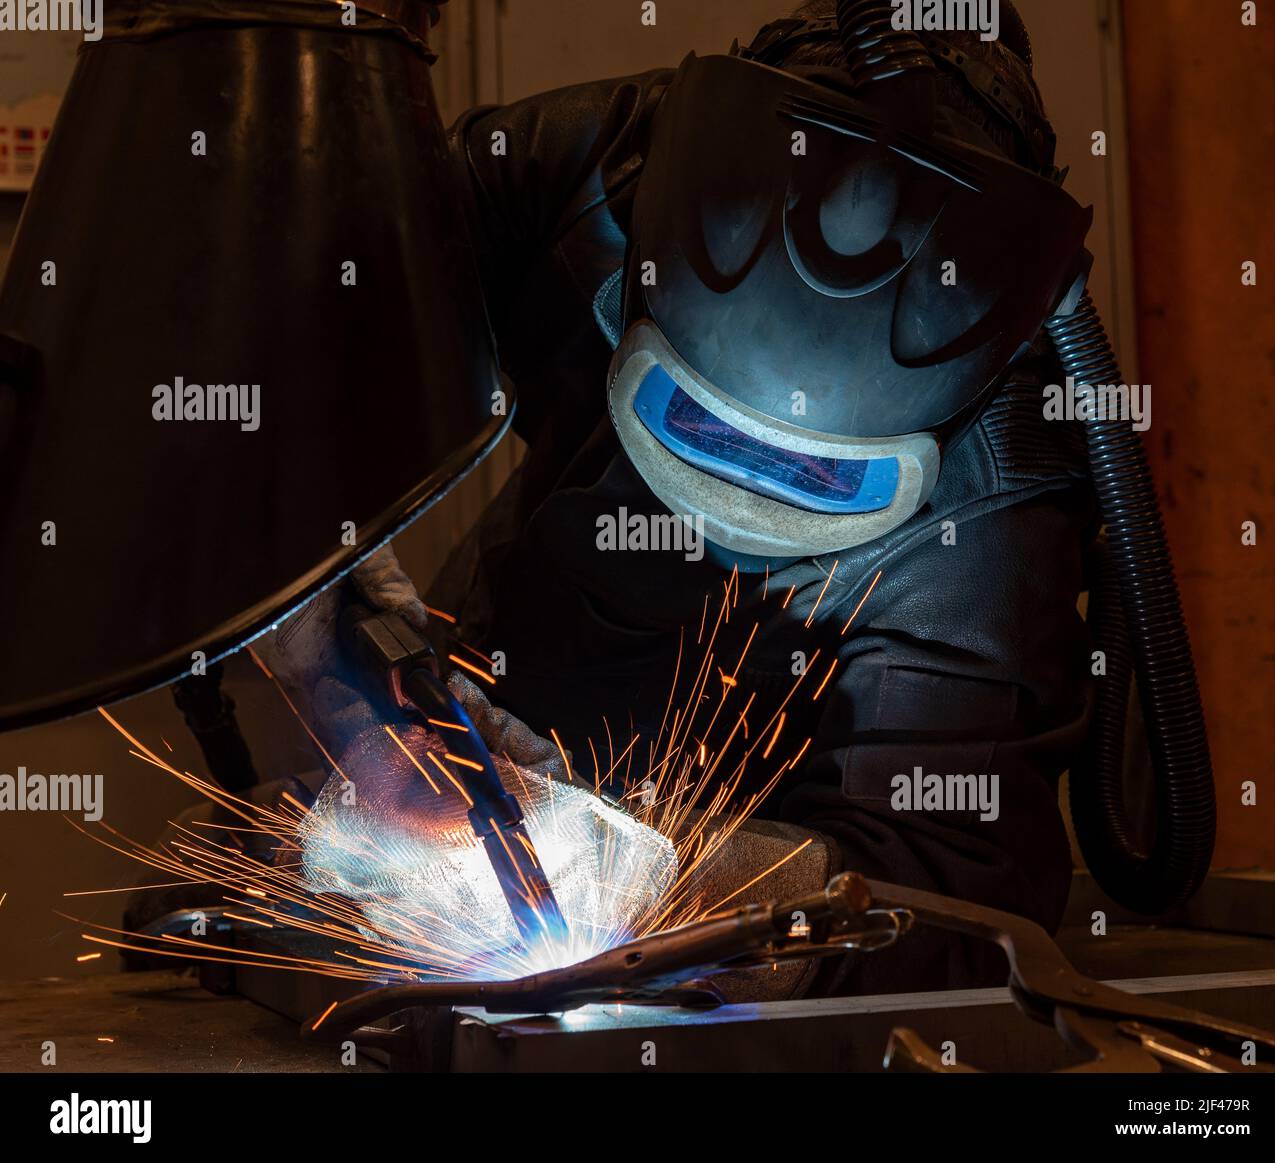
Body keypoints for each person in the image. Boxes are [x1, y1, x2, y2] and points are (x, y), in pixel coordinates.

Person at [288, 0, 1096, 995]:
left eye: (816, 477)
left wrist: (662, 884)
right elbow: (273, 304)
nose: (732, 502)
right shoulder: (588, 179)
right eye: (700, 429)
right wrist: (325, 637)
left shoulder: (996, 489)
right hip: (525, 657)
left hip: (780, 808)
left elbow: (960, 898)